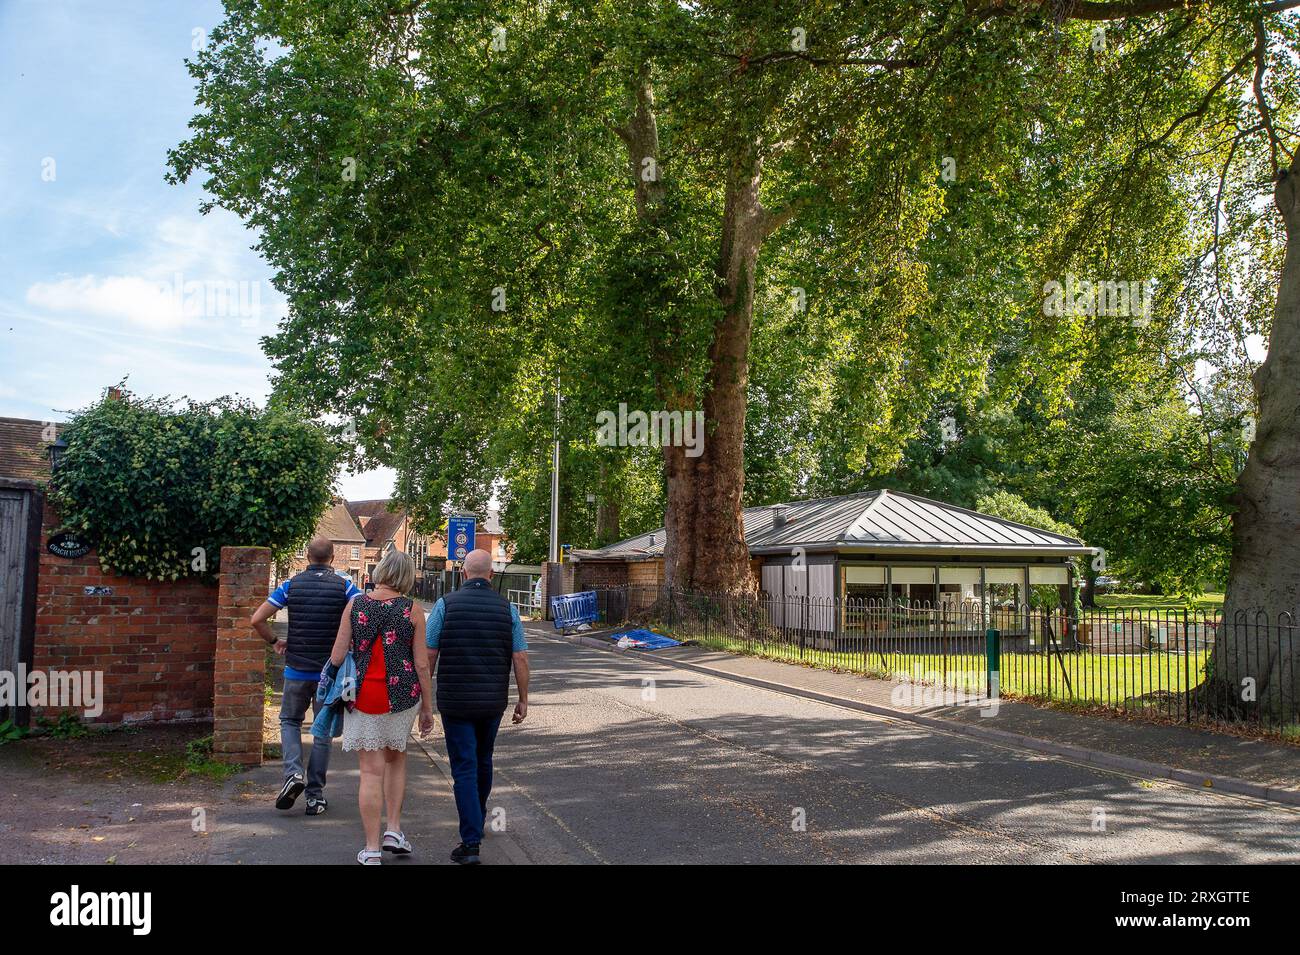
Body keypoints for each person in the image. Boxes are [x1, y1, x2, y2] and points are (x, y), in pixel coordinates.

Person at [328, 549, 434, 865]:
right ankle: (394, 830)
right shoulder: (412, 610)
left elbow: (336, 656)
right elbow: (421, 663)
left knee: (369, 771)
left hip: (361, 696)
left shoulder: (355, 604)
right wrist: (428, 708)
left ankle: (372, 849)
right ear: (405, 577)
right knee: (396, 760)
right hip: (402, 696)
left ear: (380, 571)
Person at [426, 548, 529, 866]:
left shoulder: (444, 605)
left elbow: (429, 654)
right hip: (492, 702)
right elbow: (520, 657)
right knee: (483, 760)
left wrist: (423, 699)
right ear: (492, 575)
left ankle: (470, 842)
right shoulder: (508, 609)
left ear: (463, 574)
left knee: (465, 768)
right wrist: (524, 698)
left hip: (455, 702)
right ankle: (477, 818)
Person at [251, 538, 361, 815]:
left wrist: (275, 641)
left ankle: (292, 774)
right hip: (330, 673)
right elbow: (362, 613)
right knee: (322, 732)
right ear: (333, 558)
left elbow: (256, 619)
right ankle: (315, 796)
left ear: (308, 557)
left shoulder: (290, 585)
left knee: (289, 720)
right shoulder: (345, 586)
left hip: (296, 668)